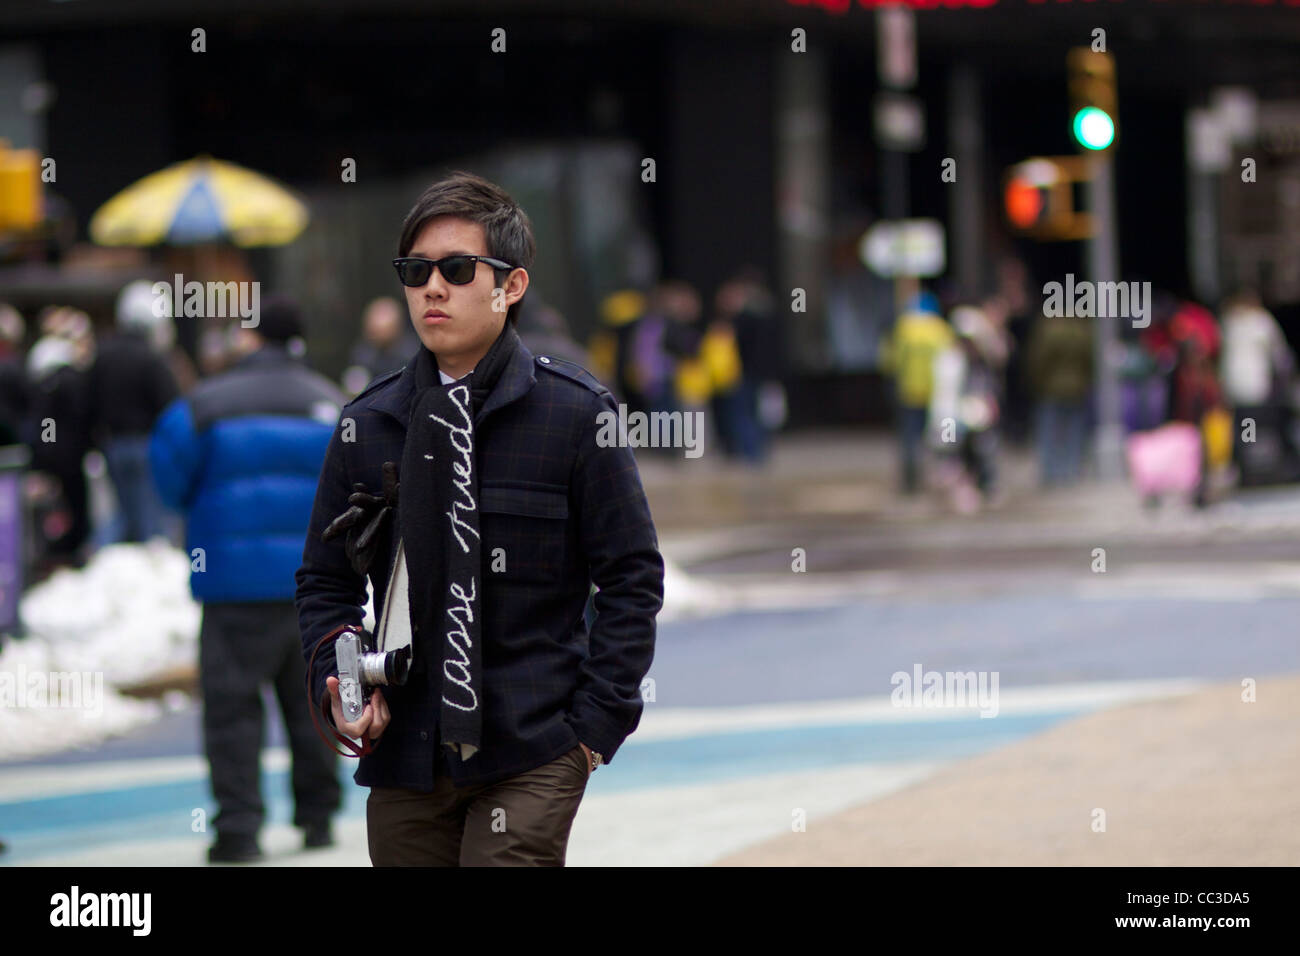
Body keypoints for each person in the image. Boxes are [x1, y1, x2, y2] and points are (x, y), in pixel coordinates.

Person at [295, 171, 663, 867]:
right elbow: (323, 581)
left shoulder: (578, 415)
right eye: (416, 270)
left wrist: (591, 729)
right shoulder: (366, 424)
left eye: (458, 269)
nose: (433, 287)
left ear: (511, 286)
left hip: (534, 748)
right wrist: (339, 676)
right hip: (404, 755)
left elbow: (632, 577)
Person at [150, 296, 346, 863]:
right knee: (315, 700)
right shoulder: (331, 401)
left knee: (233, 710)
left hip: (233, 587)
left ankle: (238, 829)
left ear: (251, 338)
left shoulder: (203, 405)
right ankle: (317, 818)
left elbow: (169, 481)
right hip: (316, 587)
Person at [91, 280, 182, 543]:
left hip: (113, 443)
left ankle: (108, 561)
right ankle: (150, 570)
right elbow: (170, 405)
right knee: (151, 517)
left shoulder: (104, 355)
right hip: (147, 443)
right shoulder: (153, 358)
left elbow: (89, 401)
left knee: (120, 512)